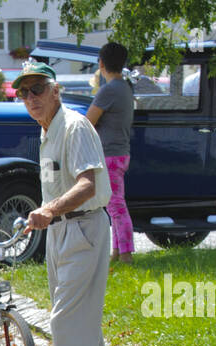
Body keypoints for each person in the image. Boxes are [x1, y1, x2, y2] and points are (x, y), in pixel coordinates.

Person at [16, 62, 111, 346]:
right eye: (24, 92)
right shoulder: (47, 131)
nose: (31, 98)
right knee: (81, 322)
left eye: (37, 89)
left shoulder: (74, 126)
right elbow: (54, 185)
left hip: (83, 228)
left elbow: (87, 185)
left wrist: (49, 210)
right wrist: (47, 213)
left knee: (65, 323)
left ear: (55, 91)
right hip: (60, 233)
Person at [86, 42, 135, 264]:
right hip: (121, 153)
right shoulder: (124, 88)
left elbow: (89, 121)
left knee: (116, 206)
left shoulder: (108, 90)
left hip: (110, 155)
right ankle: (117, 251)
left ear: (101, 63)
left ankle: (126, 255)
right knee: (113, 205)